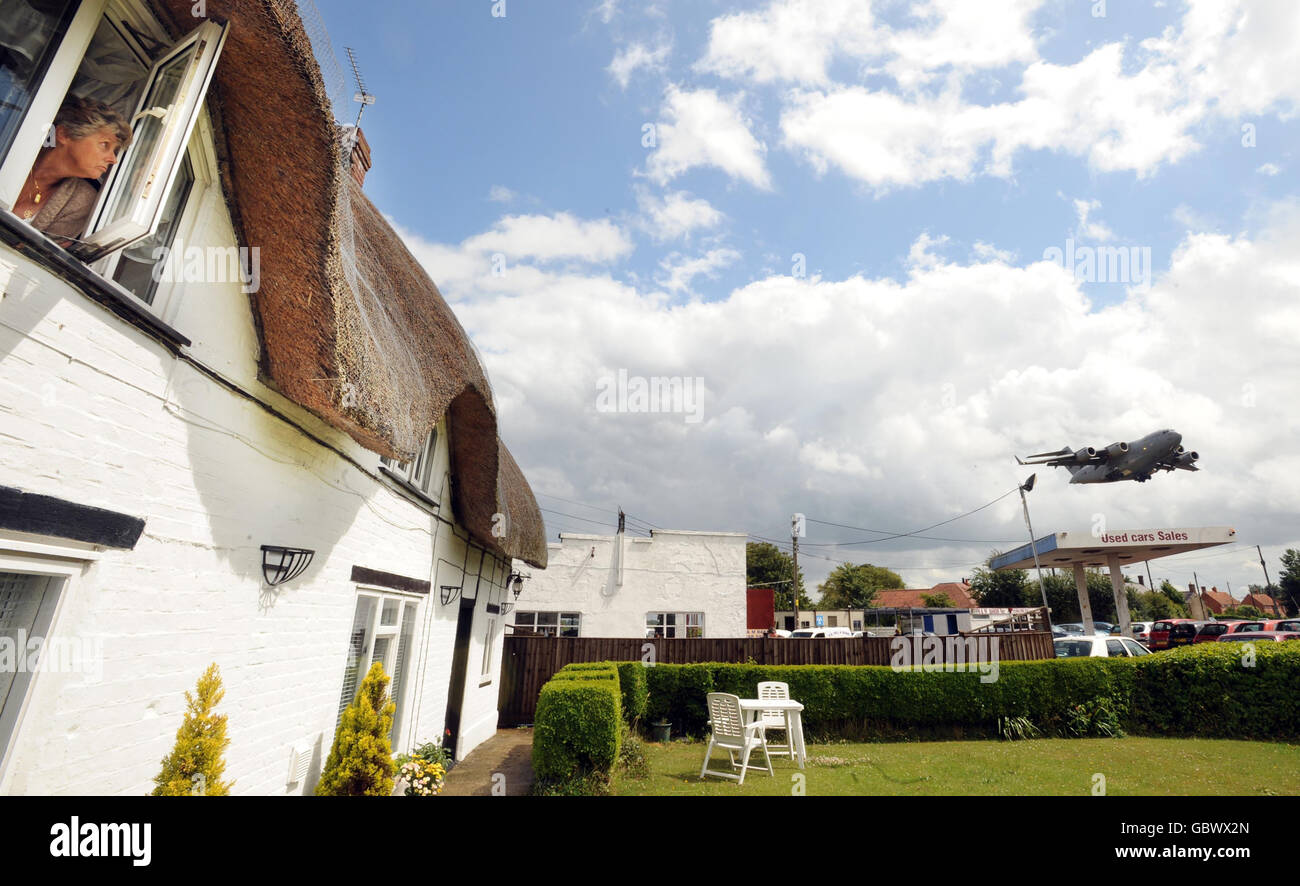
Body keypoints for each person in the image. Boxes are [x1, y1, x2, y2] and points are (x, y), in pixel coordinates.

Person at [10, 94, 131, 242]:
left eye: (115, 150)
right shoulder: (9, 149)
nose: (113, 159)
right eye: (105, 144)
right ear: (64, 134)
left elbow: (37, 257)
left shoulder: (81, 201)